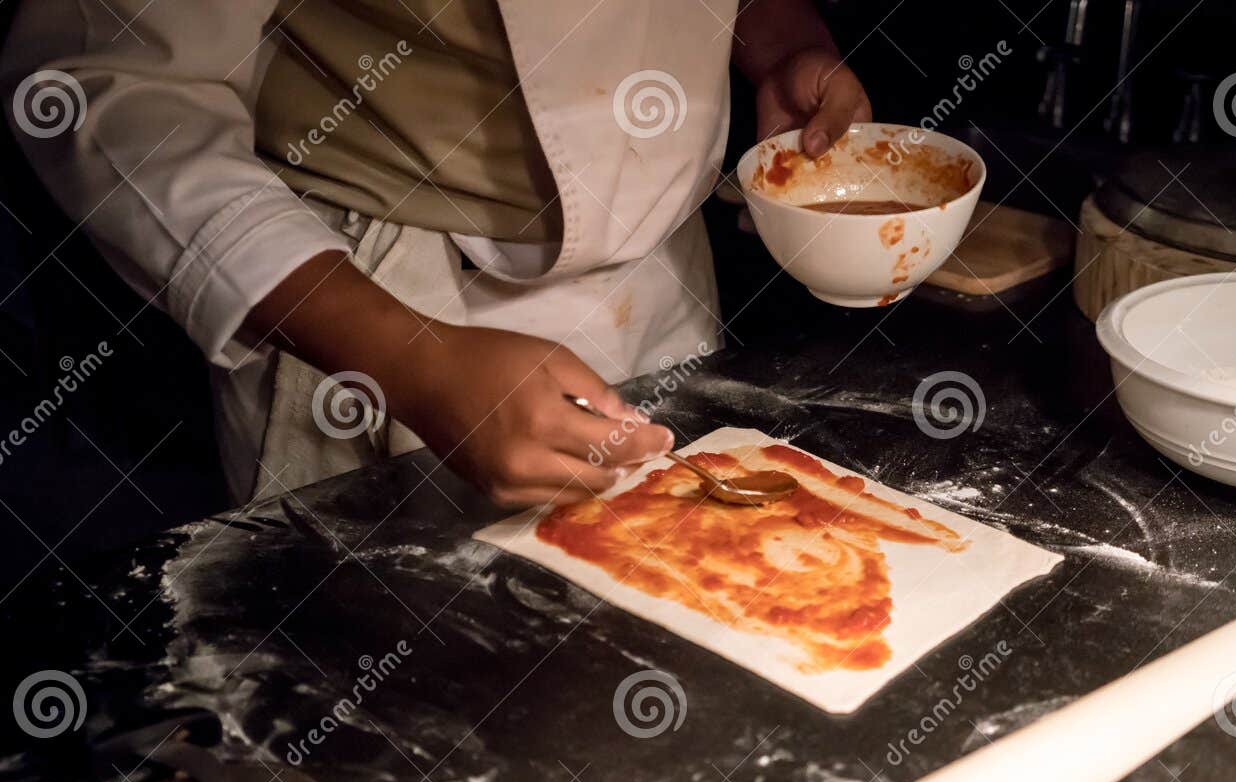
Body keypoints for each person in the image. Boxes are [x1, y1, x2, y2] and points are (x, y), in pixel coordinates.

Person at [3, 0, 869, 506]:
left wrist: (781, 42)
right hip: (377, 320)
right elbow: (108, 82)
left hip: (663, 286)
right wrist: (407, 360)